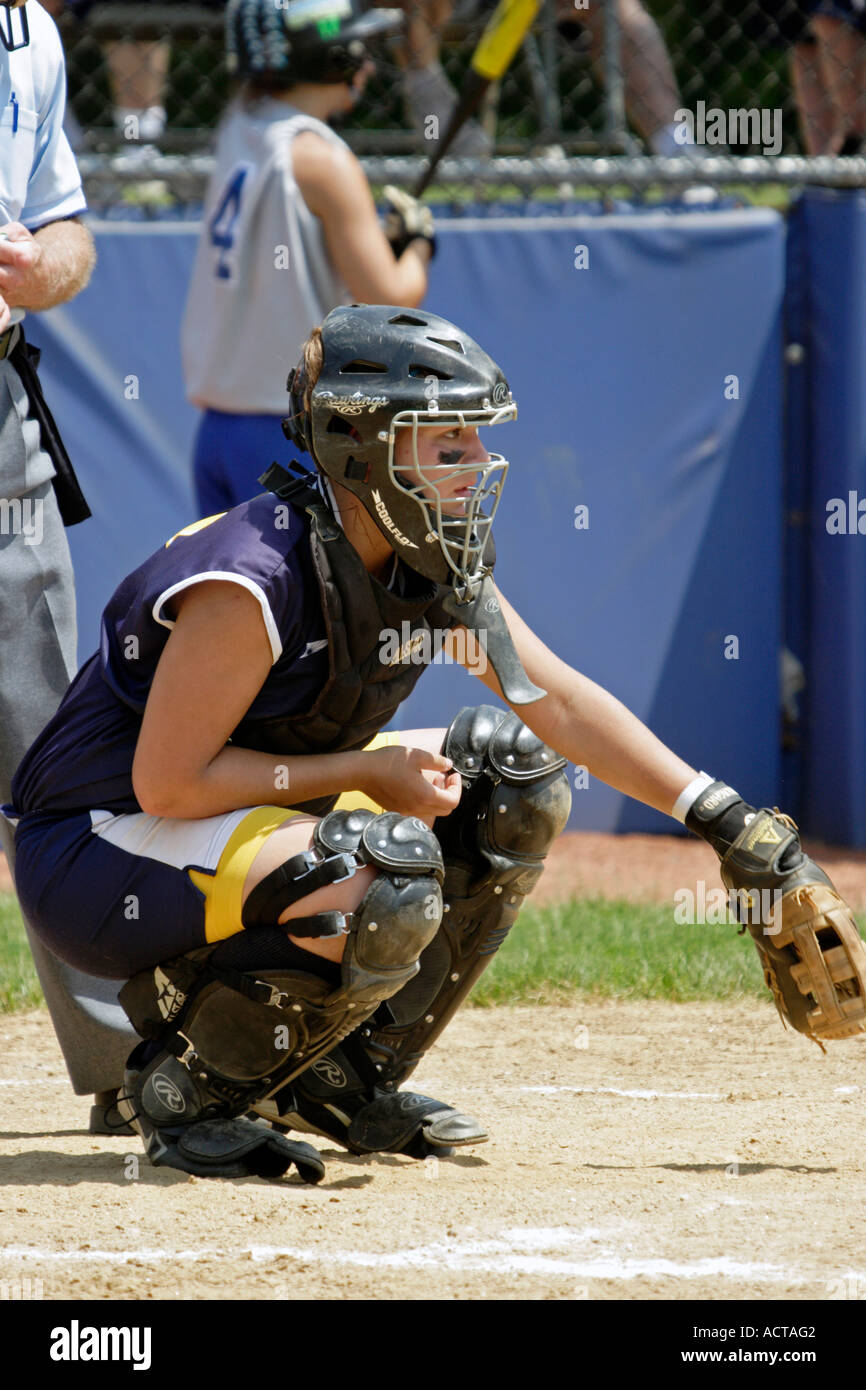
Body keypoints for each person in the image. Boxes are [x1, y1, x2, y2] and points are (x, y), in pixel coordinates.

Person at [4, 301, 861, 1183]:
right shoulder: (253, 577)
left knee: (514, 770)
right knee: (385, 866)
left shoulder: (425, 554)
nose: (480, 463)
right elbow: (171, 785)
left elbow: (552, 699)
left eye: (476, 440)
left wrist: (722, 820)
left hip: (212, 819)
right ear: (358, 445)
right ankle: (193, 1090)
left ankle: (341, 1074)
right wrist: (367, 771)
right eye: (448, 443)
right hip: (96, 850)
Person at [0, 0, 132, 1134]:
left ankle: (125, 1061)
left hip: (1, 409)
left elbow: (69, 226)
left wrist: (46, 267)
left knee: (55, 760)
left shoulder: (29, 28)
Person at [181, 0, 437, 517]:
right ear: (330, 55)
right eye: (356, 46)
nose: (366, 60)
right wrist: (418, 243)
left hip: (218, 433)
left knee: (234, 594)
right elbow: (390, 296)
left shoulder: (240, 126)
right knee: (312, 597)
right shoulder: (321, 157)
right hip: (290, 434)